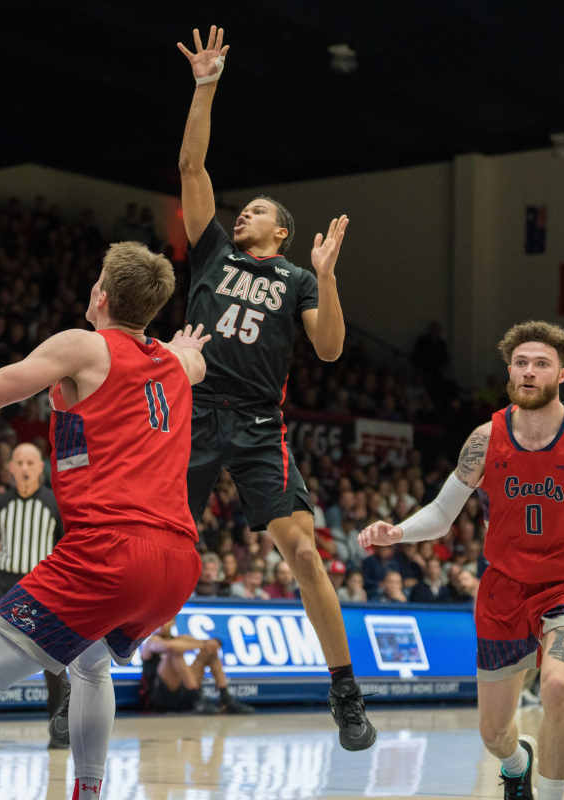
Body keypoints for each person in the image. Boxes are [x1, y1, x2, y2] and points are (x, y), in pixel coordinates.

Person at [0, 242, 209, 800]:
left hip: (111, 549)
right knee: (91, 665)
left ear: (100, 295)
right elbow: (193, 357)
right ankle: (87, 792)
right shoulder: (179, 364)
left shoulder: (83, 345)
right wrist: (178, 343)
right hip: (178, 560)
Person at [359, 320, 564, 800]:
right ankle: (519, 763)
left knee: (557, 685)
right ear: (509, 372)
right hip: (504, 588)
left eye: (541, 364)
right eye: (521, 363)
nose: (529, 372)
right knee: (494, 735)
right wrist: (398, 532)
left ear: (562, 374)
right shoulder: (483, 438)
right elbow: (442, 514)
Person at [175, 25, 373, 751]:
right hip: (191, 411)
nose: (243, 213)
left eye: (257, 209)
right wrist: (207, 84)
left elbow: (329, 347)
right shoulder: (212, 253)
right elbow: (193, 167)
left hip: (259, 424)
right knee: (156, 543)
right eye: (244, 207)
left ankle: (345, 690)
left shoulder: (295, 279)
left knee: (305, 551)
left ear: (283, 233)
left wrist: (325, 276)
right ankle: (92, 661)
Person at [0, 442, 70, 748]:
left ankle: (59, 735)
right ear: (11, 468)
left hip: (43, 586)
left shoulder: (54, 504)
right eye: (19, 462)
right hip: (4, 586)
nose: (25, 468)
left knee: (54, 667)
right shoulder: (0, 503)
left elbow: (63, 550)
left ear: (40, 467)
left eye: (31, 462)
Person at [139, 621, 253, 714]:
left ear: (173, 622)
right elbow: (169, 646)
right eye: (158, 620)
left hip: (183, 693)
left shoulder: (181, 638)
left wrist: (210, 644)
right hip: (159, 697)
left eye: (165, 620)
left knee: (210, 652)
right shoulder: (151, 642)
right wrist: (203, 644)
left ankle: (226, 699)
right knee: (174, 652)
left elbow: (212, 643)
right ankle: (197, 698)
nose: (161, 624)